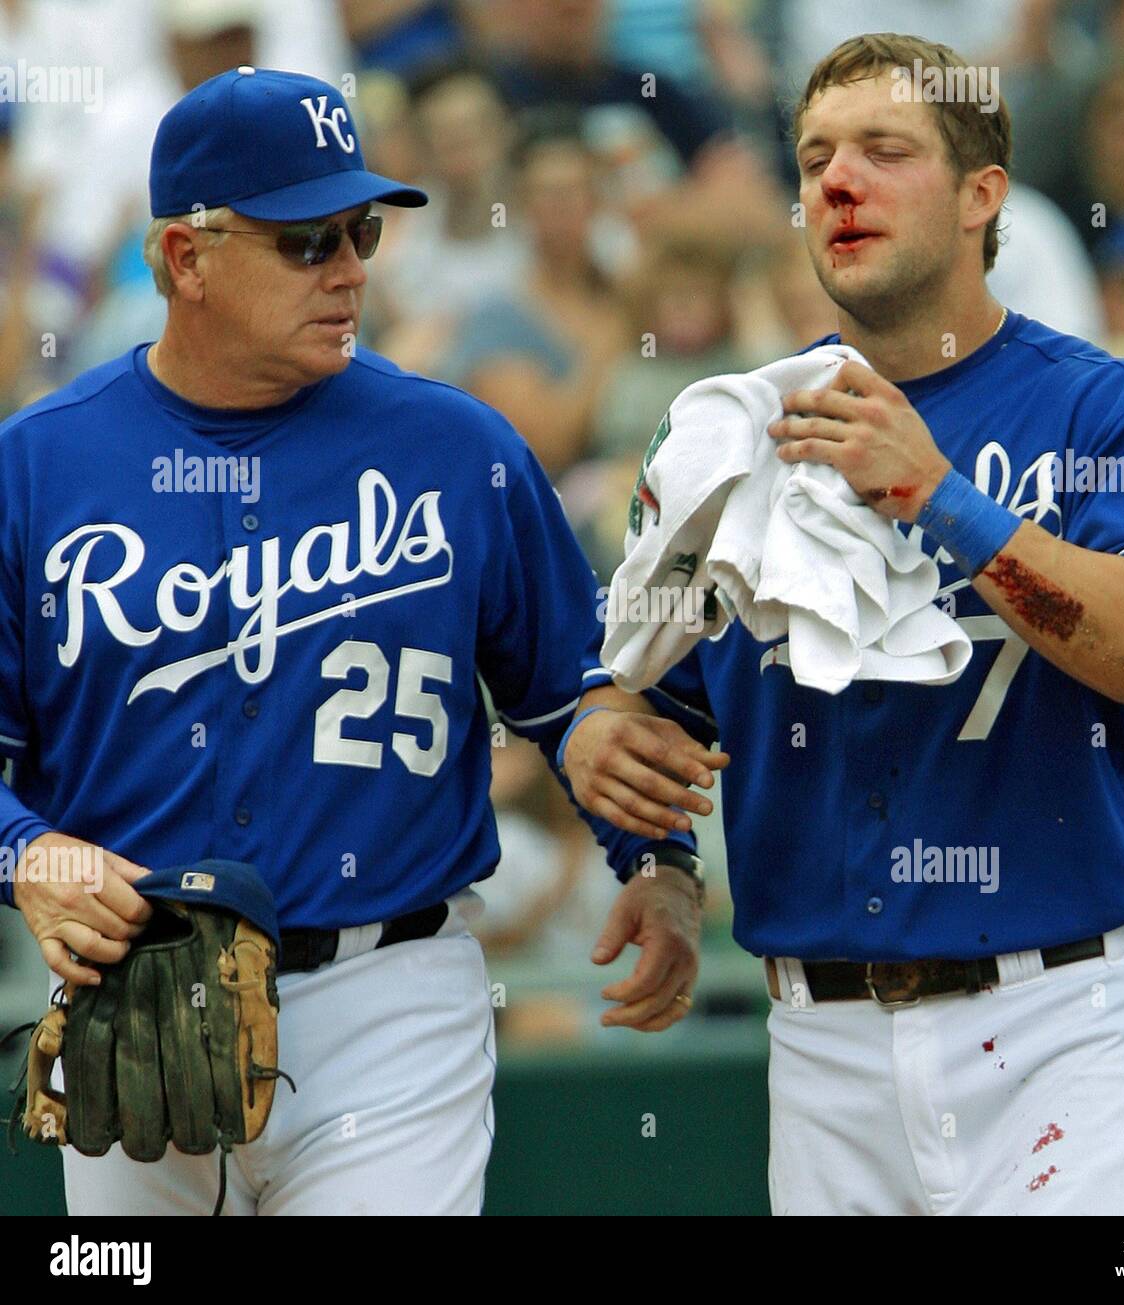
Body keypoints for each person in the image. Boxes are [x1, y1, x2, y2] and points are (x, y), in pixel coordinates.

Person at [0, 66, 713, 1216]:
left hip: (392, 999)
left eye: (363, 231)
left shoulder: (454, 448)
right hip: (136, 1003)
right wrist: (25, 854)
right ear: (185, 257)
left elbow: (578, 697)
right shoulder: (36, 469)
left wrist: (659, 867)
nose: (349, 270)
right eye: (305, 241)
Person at [563, 32, 1124, 1215]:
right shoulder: (731, 429)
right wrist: (656, 851)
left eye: (884, 151)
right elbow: (642, 690)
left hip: (1060, 1029)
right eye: (815, 156)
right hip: (820, 1053)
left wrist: (942, 499)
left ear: (983, 195)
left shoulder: (1107, 403)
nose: (837, 182)